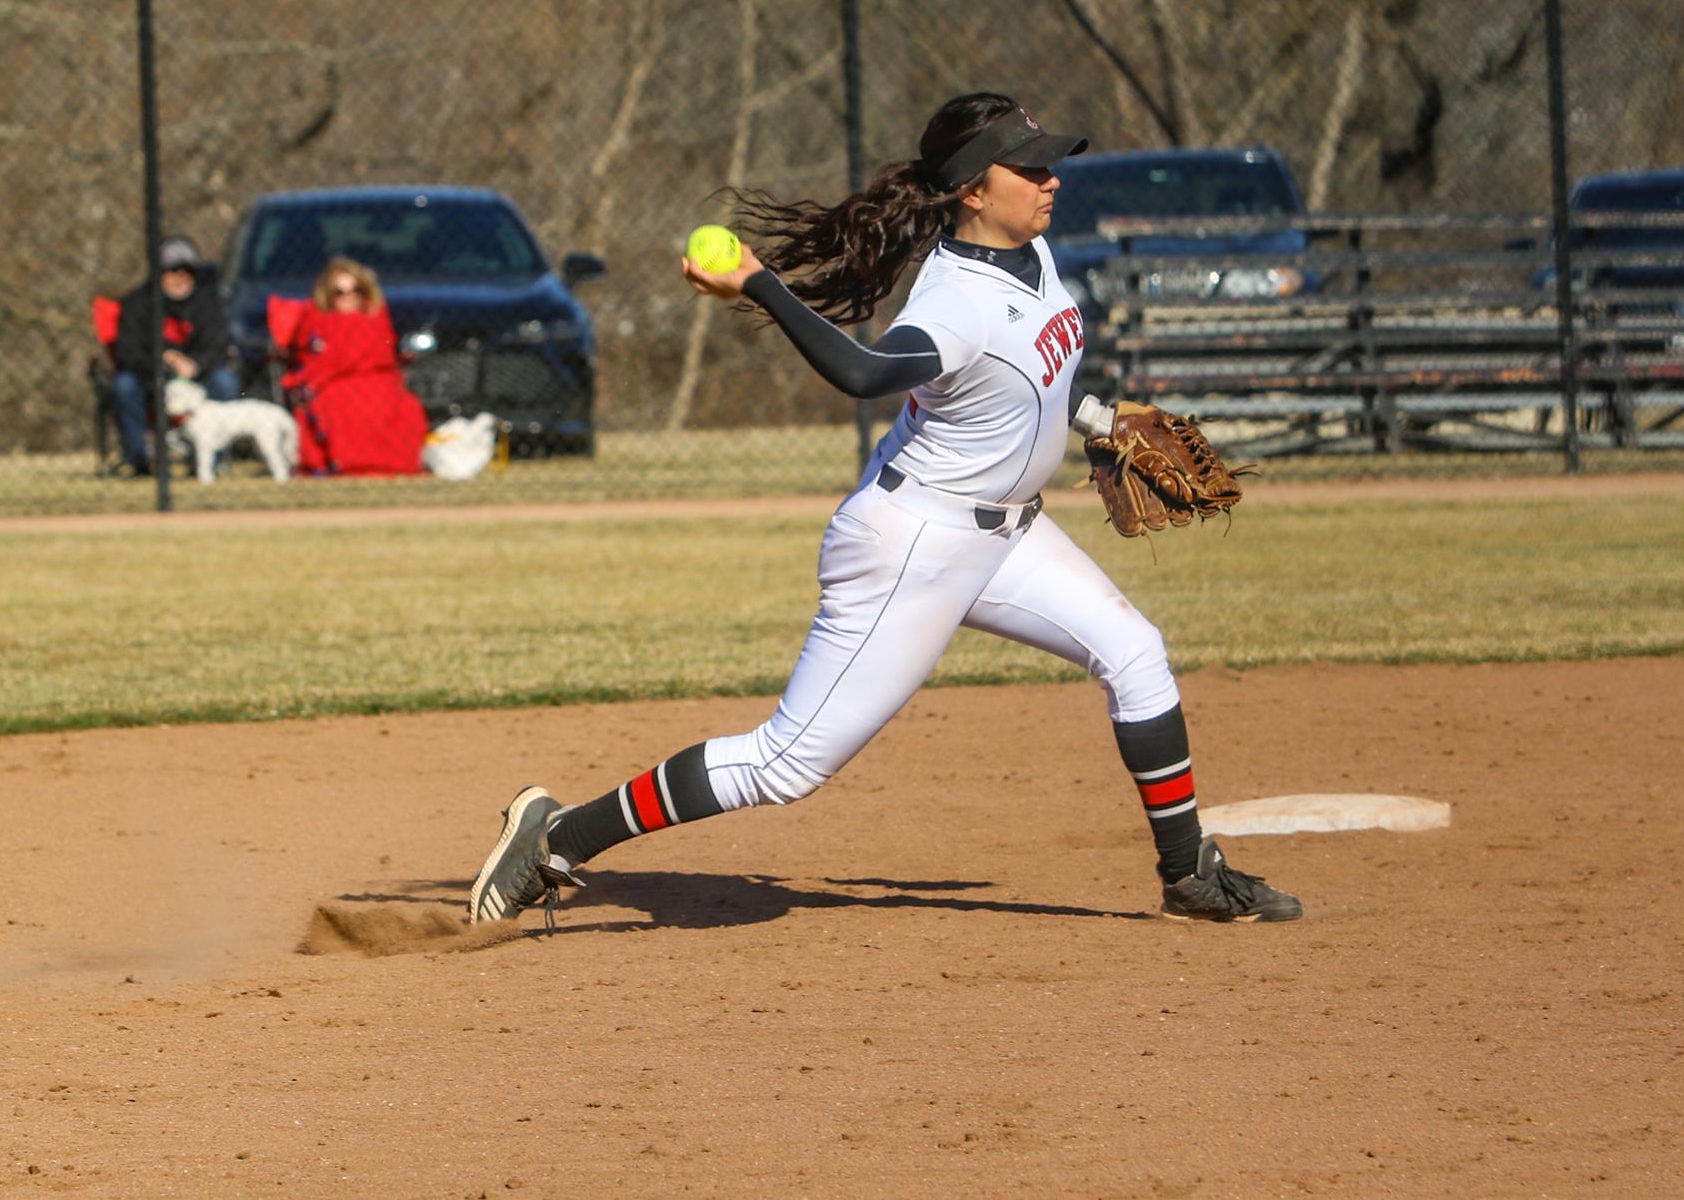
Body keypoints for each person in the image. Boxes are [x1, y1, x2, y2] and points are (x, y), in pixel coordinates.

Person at [467, 93, 1301, 928]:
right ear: (973, 190)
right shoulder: (956, 302)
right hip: (915, 545)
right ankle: (557, 837)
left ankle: (1188, 873)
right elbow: (866, 374)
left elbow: (1044, 373)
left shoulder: (1034, 251)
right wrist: (760, 282)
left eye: (1048, 160)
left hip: (1007, 533)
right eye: (1030, 165)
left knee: (1135, 652)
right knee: (785, 764)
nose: (1051, 178)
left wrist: (1096, 423)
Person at [269, 256, 430, 476]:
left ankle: (392, 465)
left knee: (403, 405)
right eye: (340, 292)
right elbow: (315, 360)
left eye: (356, 291)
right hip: (332, 382)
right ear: (328, 294)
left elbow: (384, 356)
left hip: (376, 379)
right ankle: (345, 464)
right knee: (338, 403)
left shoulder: (374, 316)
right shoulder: (317, 319)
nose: (349, 297)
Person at [109, 235, 239, 477]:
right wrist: (162, 361)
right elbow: (127, 352)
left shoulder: (209, 301)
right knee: (124, 385)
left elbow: (219, 345)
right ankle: (138, 460)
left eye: (187, 271)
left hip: (197, 377)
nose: (180, 278)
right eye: (172, 271)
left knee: (225, 382)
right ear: (158, 275)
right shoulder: (137, 303)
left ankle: (214, 461)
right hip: (150, 376)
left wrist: (196, 365)